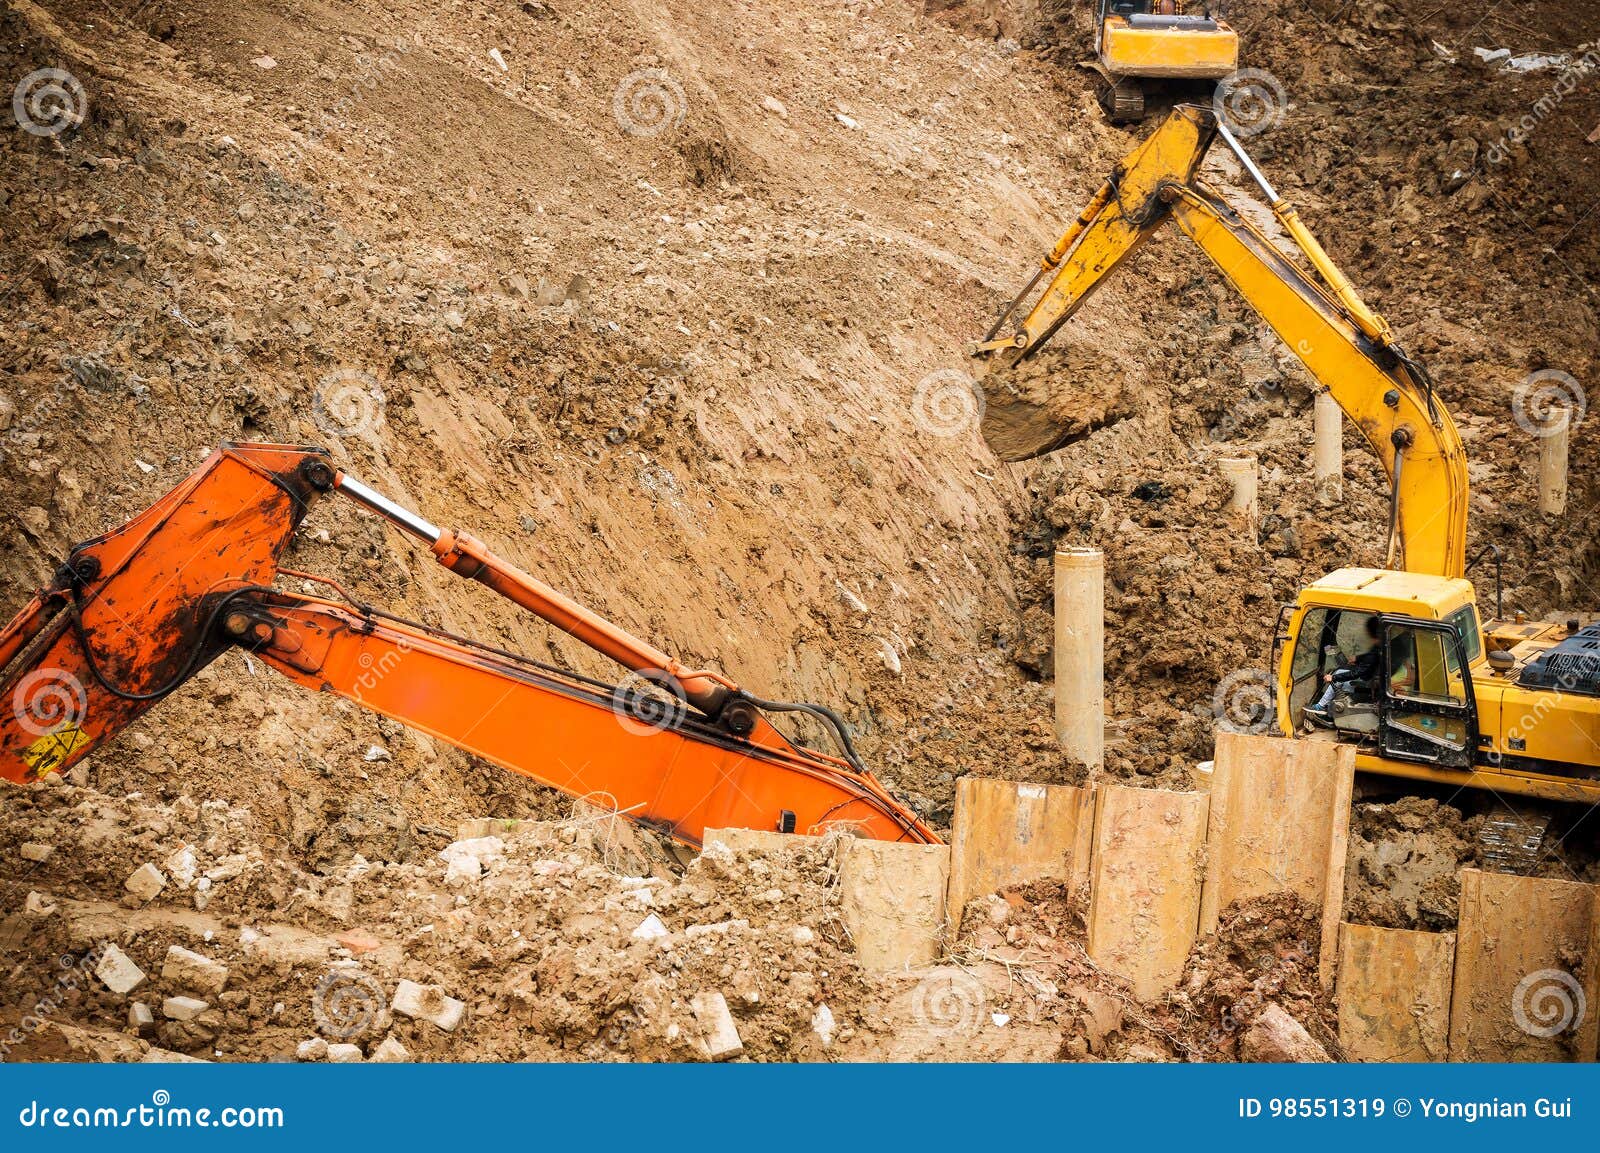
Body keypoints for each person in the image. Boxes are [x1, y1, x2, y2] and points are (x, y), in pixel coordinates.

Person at [1305, 616, 1382, 727]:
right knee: (1340, 672)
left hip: (1367, 682)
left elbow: (1357, 673)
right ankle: (1325, 707)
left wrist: (1333, 677)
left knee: (1337, 675)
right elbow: (1371, 657)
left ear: (1371, 632)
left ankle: (1320, 707)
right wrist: (1357, 658)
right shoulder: (1380, 646)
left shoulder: (1377, 649)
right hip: (1370, 677)